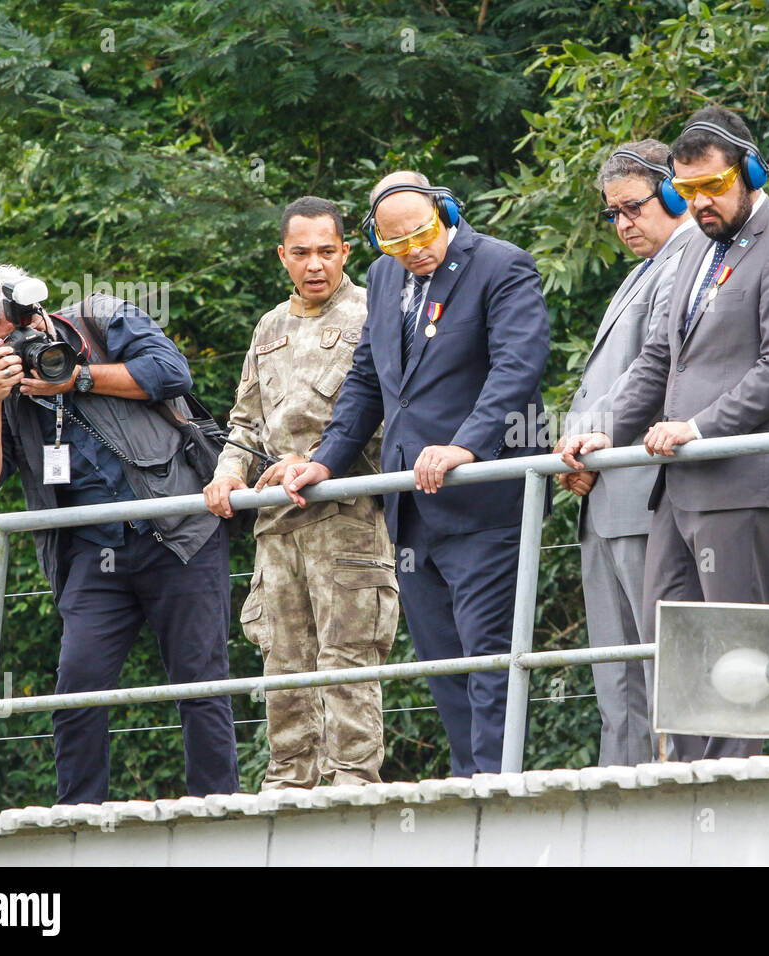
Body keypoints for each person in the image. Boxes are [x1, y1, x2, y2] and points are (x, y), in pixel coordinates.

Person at [559, 106, 769, 762]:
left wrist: (701, 428)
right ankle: (688, 778)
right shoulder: (692, 253)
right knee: (671, 633)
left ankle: (737, 784)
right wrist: (605, 433)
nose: (701, 203)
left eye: (713, 187)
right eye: (688, 191)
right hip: (676, 488)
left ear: (751, 172)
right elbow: (659, 360)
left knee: (739, 642)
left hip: (740, 478)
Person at [283, 172, 550, 777]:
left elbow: (518, 368)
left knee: (488, 659)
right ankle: (465, 789)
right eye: (395, 242)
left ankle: (498, 794)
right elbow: (368, 383)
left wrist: (465, 447)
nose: (414, 250)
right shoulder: (383, 278)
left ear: (447, 212)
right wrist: (325, 459)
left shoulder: (502, 266)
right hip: (410, 506)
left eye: (423, 234)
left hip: (482, 503)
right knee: (442, 663)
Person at [0, 262, 239, 805]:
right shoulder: (7, 396)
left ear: (38, 309)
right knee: (77, 689)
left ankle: (217, 809)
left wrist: (78, 377)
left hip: (178, 531)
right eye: (3, 340)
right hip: (91, 552)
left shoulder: (102, 317)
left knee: (201, 682)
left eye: (25, 325)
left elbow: (172, 372)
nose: (23, 340)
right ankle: (77, 817)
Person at [203, 196, 398, 789]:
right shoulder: (268, 327)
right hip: (274, 527)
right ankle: (287, 785)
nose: (315, 264)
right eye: (301, 253)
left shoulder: (377, 312)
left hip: (348, 519)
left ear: (346, 250)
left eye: (327, 251)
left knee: (347, 661)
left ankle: (353, 786)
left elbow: (394, 420)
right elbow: (243, 423)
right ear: (282, 256)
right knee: (282, 663)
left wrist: (314, 462)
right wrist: (227, 472)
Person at [557, 141, 696, 767]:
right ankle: (624, 798)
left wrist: (595, 438)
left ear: (674, 192)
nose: (622, 224)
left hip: (642, 495)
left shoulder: (688, 258)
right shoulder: (647, 268)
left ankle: (671, 797)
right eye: (613, 213)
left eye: (633, 207)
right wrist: (577, 448)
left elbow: (655, 368)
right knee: (618, 678)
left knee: (659, 667)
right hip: (606, 491)